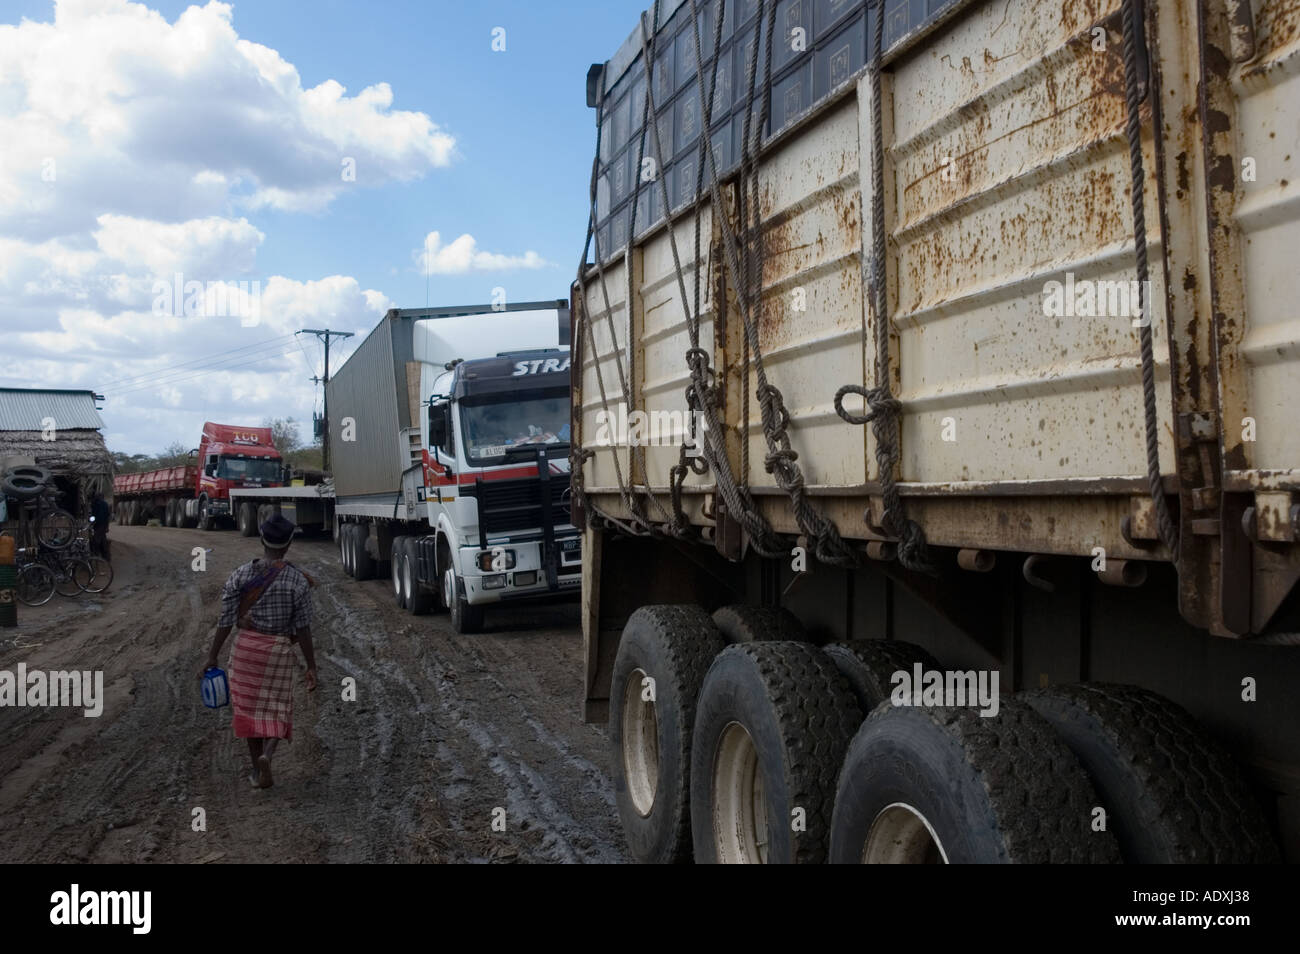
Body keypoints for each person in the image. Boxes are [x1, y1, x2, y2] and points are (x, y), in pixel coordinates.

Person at [204, 513, 318, 789]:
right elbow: (303, 629)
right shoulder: (298, 581)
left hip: (245, 650)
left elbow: (226, 620)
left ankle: (258, 770)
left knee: (247, 710)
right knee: (279, 708)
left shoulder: (240, 575)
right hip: (277, 651)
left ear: (261, 540)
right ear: (289, 544)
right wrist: (311, 666)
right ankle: (268, 754)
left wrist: (212, 655)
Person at [90, 492, 111, 561]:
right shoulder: (104, 504)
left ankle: (97, 556)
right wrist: (107, 526)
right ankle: (105, 557)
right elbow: (107, 517)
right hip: (102, 524)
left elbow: (92, 515)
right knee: (102, 540)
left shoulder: (94, 503)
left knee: (97, 540)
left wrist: (91, 522)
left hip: (99, 524)